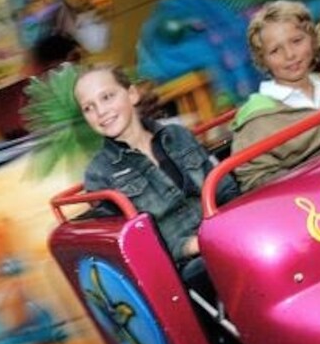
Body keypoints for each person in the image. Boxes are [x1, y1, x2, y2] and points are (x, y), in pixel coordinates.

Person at [73, 65, 238, 294]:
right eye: (89, 108)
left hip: (226, 237)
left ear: (132, 95)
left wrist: (236, 224)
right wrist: (197, 244)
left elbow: (225, 189)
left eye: (107, 97)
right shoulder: (99, 175)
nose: (100, 111)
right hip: (180, 268)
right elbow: (135, 248)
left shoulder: (177, 136)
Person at [230, 0, 320, 192]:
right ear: (263, 60)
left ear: (312, 37)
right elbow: (255, 180)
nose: (290, 55)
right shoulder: (256, 120)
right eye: (275, 50)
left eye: (296, 41)